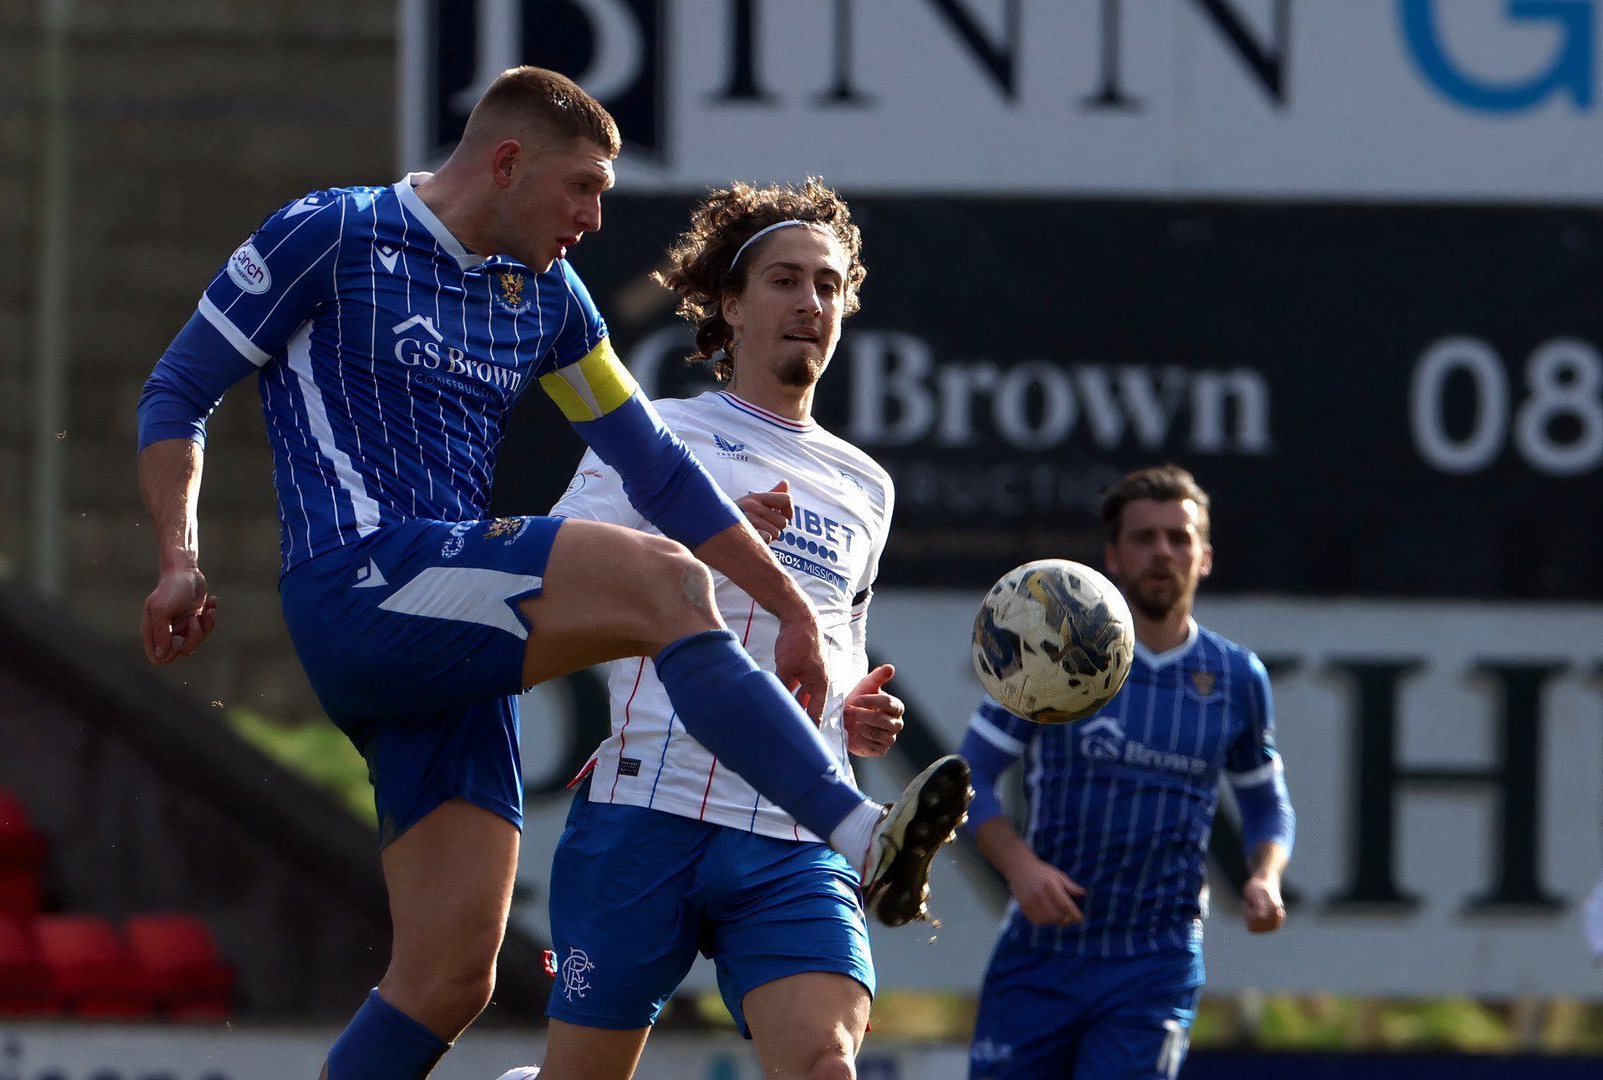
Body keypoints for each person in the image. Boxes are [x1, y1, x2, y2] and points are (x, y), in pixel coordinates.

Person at [134, 67, 971, 1079]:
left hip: (456, 640)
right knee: (664, 584)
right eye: (582, 189)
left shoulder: (549, 298)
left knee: (448, 981)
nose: (593, 215)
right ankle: (859, 830)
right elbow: (179, 388)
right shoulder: (334, 232)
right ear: (506, 162)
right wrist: (179, 557)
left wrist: (793, 607)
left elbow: (654, 468)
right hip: (360, 582)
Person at [494, 180, 958, 1080]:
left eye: (828, 286)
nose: (810, 304)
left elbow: (837, 636)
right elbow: (557, 572)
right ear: (730, 307)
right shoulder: (660, 436)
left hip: (792, 829)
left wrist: (855, 713)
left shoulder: (867, 484)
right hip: (645, 806)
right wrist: (709, 529)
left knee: (825, 1067)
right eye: (785, 281)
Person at [958, 465, 1295, 1079]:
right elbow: (969, 778)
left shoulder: (1238, 679)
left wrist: (1266, 876)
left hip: (1154, 961)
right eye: (1144, 538)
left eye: (1179, 537)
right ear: (1112, 556)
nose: (1162, 552)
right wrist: (1021, 868)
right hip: (1041, 954)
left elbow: (1267, 803)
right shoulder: (1050, 655)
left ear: (1206, 556)